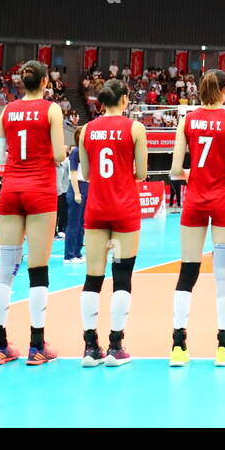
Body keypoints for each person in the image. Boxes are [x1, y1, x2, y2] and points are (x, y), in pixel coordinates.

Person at [169, 69, 225, 367]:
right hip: (222, 202)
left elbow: (174, 171)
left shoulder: (187, 120)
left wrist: (195, 175)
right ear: (223, 90)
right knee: (223, 276)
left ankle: (178, 346)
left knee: (187, 272)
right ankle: (223, 346)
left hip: (194, 201)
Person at [0, 60, 67, 366]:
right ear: (46, 81)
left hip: (11, 190)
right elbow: (60, 154)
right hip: (40, 191)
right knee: (38, 268)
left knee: (6, 267)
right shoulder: (51, 109)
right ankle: (37, 345)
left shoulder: (7, 110)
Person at [78, 79, 148, 367]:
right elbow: (142, 173)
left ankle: (89, 347)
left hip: (96, 208)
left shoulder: (86, 130)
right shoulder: (135, 128)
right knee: (122, 276)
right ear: (123, 99)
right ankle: (115, 346)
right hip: (124, 209)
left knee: (93, 278)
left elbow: (87, 173)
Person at [65, 129, 86, 263]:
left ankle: (77, 252)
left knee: (82, 224)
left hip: (87, 187)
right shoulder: (76, 151)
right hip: (77, 187)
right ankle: (69, 255)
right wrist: (77, 192)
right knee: (73, 224)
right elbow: (73, 173)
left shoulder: (86, 152)